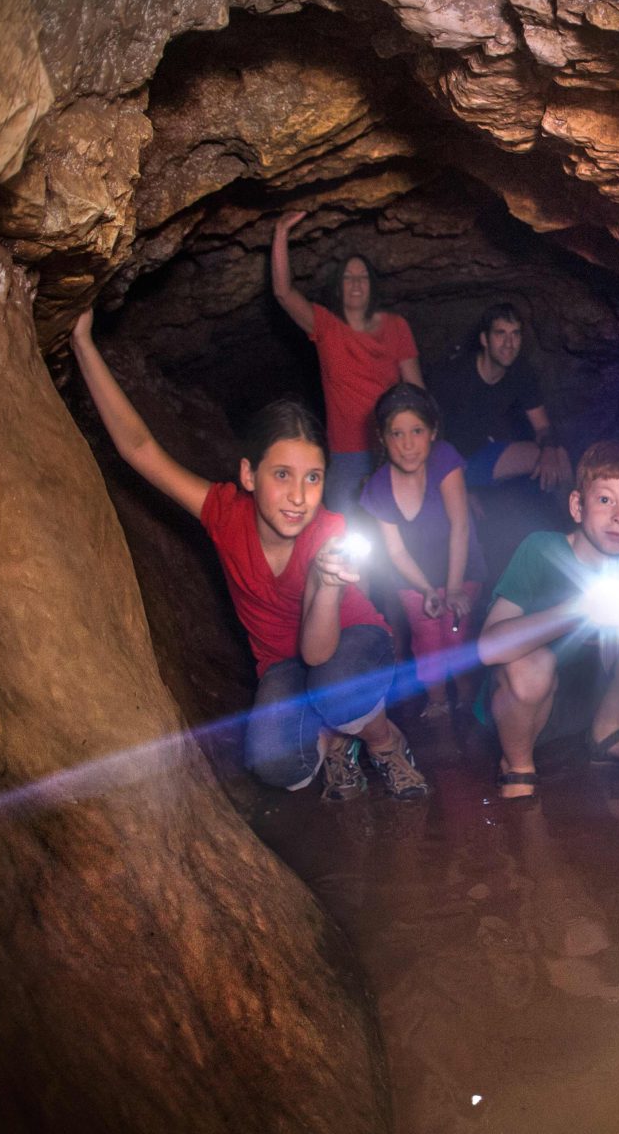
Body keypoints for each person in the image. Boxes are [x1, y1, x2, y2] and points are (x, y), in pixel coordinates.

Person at [69, 310, 430, 801]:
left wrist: (326, 583)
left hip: (352, 648)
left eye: (314, 477)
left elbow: (318, 653)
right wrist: (82, 341)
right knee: (277, 764)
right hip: (283, 665)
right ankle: (338, 741)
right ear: (248, 475)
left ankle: (385, 741)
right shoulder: (223, 512)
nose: (299, 496)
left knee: (339, 685)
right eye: (282, 475)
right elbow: (139, 448)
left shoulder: (329, 532)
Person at [476, 441, 619, 798]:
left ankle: (607, 730)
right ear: (577, 506)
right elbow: (489, 649)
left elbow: (618, 657)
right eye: (605, 500)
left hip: (576, 708)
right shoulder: (541, 549)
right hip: (519, 711)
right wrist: (578, 612)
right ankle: (518, 765)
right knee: (531, 664)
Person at [269, 209, 423, 514]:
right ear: (339, 286)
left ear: (372, 286)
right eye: (349, 278)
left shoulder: (395, 326)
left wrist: (423, 446)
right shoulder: (326, 326)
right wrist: (280, 234)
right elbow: (283, 293)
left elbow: (417, 391)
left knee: (395, 531)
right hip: (344, 454)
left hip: (392, 446)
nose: (356, 284)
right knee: (344, 533)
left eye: (363, 278)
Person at [359, 383, 477, 722]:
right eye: (396, 433)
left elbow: (461, 527)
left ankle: (467, 692)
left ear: (432, 432)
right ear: (382, 438)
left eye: (416, 431)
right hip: (412, 577)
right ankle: (438, 699)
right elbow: (395, 551)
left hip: (461, 566)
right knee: (428, 638)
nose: (407, 444)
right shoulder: (377, 488)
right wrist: (427, 589)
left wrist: (453, 587)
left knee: (455, 637)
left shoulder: (445, 460)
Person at [428, 302, 571, 493]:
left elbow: (543, 427)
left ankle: (577, 519)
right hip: (442, 464)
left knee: (558, 457)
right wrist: (460, 488)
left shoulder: (522, 373)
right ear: (484, 340)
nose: (509, 344)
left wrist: (549, 450)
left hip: (481, 454)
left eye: (515, 334)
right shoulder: (454, 375)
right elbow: (428, 438)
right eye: (500, 333)